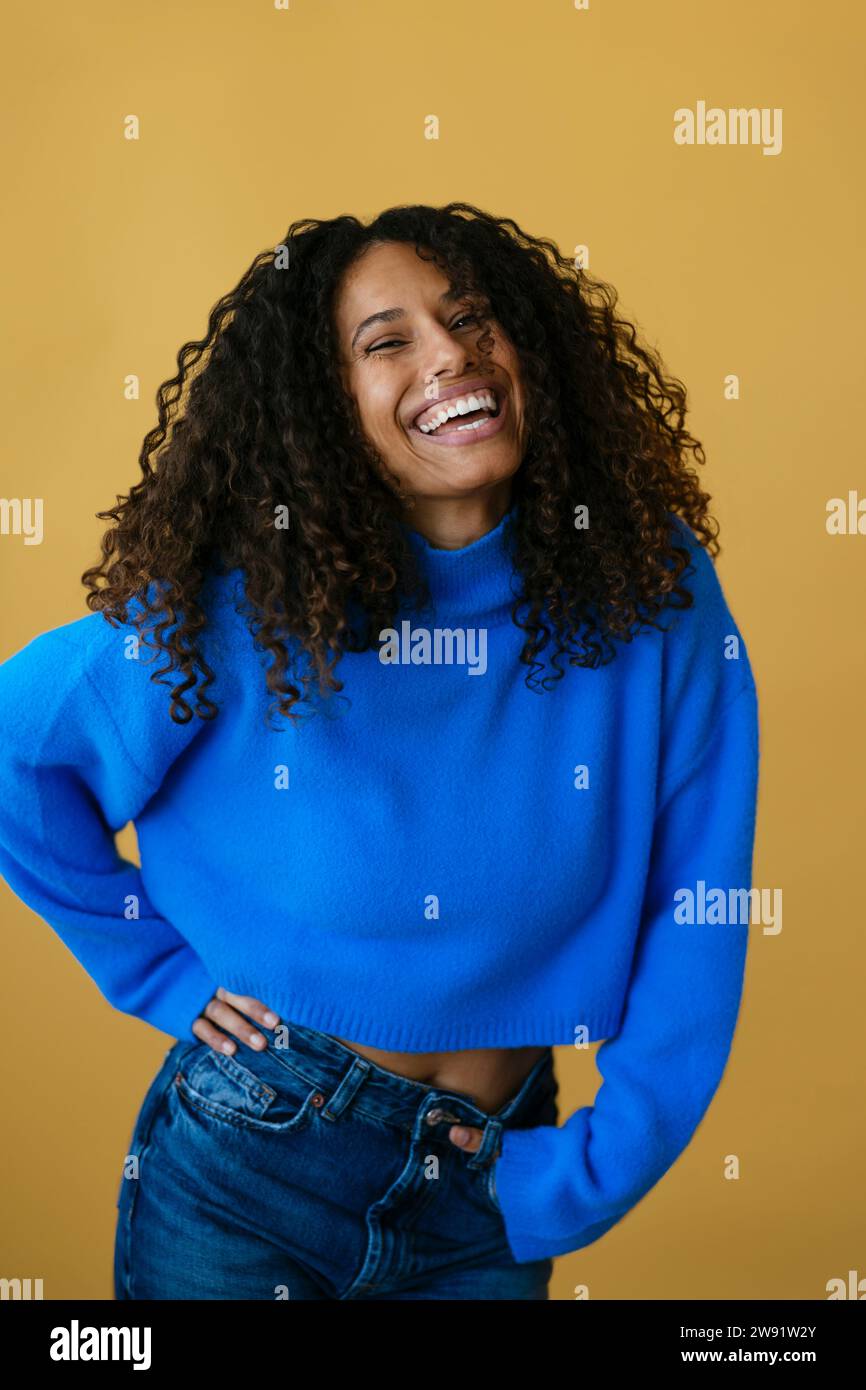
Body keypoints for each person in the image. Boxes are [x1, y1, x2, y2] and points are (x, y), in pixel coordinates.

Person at [0, 202, 760, 1300]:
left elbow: (701, 897)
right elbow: (20, 746)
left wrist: (589, 1173)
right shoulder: (251, 597)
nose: (450, 353)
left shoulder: (648, 584)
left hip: (494, 1175)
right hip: (252, 1155)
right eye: (387, 340)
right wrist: (153, 966)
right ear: (325, 405)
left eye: (471, 318)